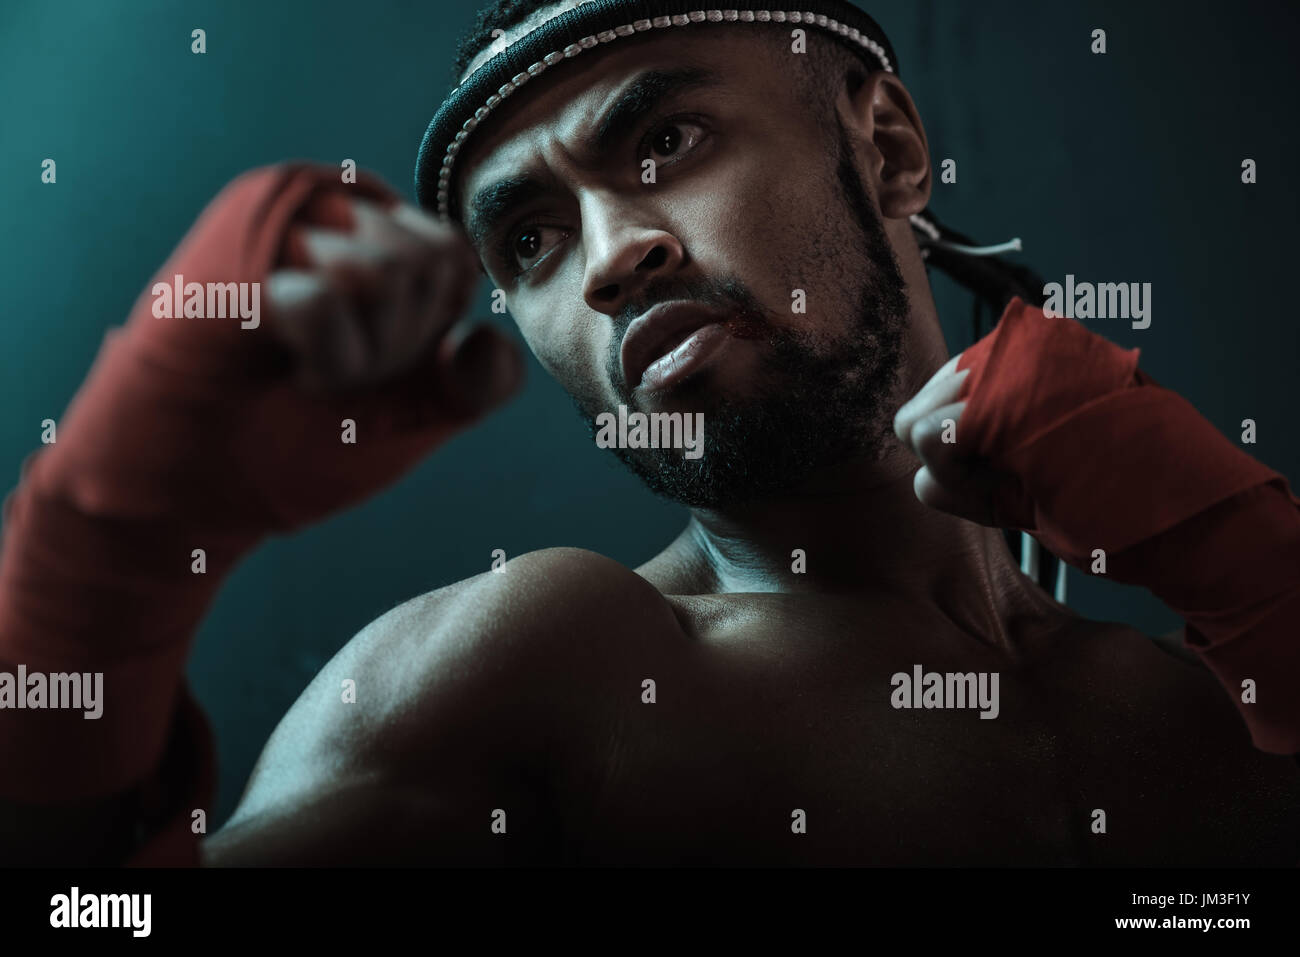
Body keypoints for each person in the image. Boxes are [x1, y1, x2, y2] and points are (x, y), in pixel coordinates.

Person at [1, 0, 1296, 866]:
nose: (614, 259)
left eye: (667, 141)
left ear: (889, 147)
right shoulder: (557, 663)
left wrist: (1260, 576)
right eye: (533, 240)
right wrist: (105, 556)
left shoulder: (1170, 700)